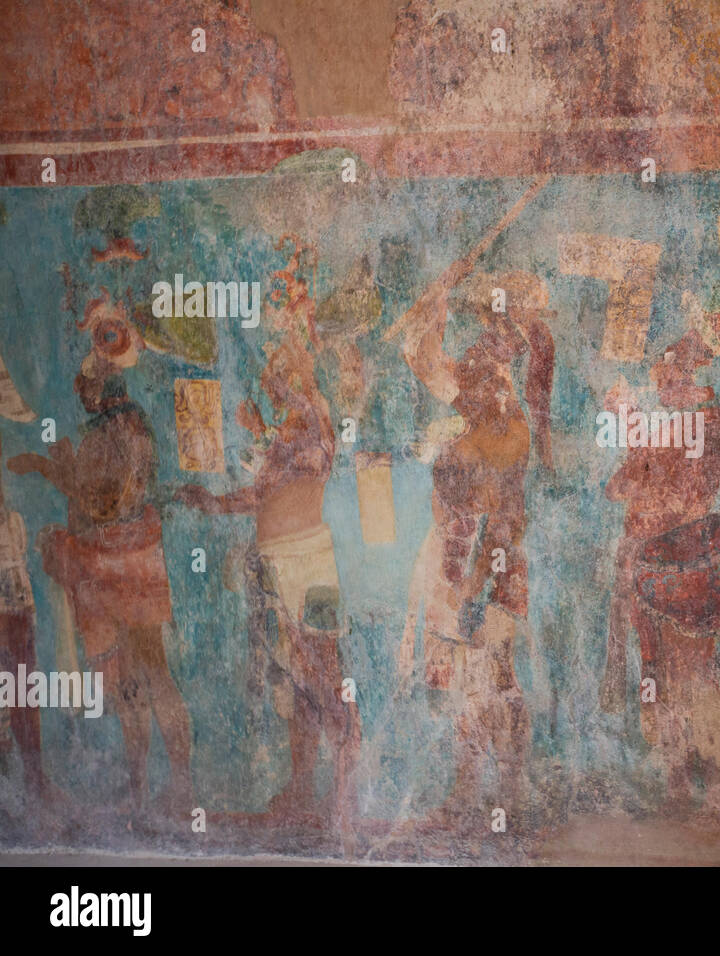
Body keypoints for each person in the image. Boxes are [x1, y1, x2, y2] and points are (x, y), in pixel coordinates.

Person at [177, 265, 359, 835]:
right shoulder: (291, 424)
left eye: (278, 368)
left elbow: (262, 490)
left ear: (299, 368)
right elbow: (264, 491)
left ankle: (345, 797)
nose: (270, 378)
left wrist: (207, 499)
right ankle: (304, 786)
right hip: (279, 566)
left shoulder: (310, 418)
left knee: (324, 678)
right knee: (292, 682)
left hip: (307, 567)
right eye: (271, 370)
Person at [9, 293, 192, 816]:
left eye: (86, 386)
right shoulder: (111, 428)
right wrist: (64, 472)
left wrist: (53, 473)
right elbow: (96, 497)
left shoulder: (127, 428)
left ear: (103, 385)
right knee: (132, 683)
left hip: (129, 562)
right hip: (115, 562)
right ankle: (139, 791)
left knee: (152, 675)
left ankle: (179, 786)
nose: (82, 395)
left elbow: (109, 502)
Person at [396, 264, 554, 829]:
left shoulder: (508, 434)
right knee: (468, 682)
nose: (469, 383)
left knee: (498, 678)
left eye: (484, 373)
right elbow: (424, 361)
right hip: (460, 565)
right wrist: (437, 297)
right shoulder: (479, 415)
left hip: (493, 568)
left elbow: (502, 526)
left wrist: (474, 585)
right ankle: (467, 792)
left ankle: (510, 789)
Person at [599, 293, 720, 835]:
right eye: (662, 371)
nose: (661, 379)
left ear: (691, 374)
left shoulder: (702, 422)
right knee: (661, 681)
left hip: (683, 571)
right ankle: (677, 785)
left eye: (668, 369)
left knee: (693, 680)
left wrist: (627, 417)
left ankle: (716, 795)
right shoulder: (674, 425)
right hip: (651, 570)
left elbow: (647, 482)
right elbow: (619, 484)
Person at [0, 433, 46, 803]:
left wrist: (25, 610)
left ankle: (35, 781)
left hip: (17, 618)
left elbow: (20, 573)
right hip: (7, 620)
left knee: (24, 696)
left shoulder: (13, 521)